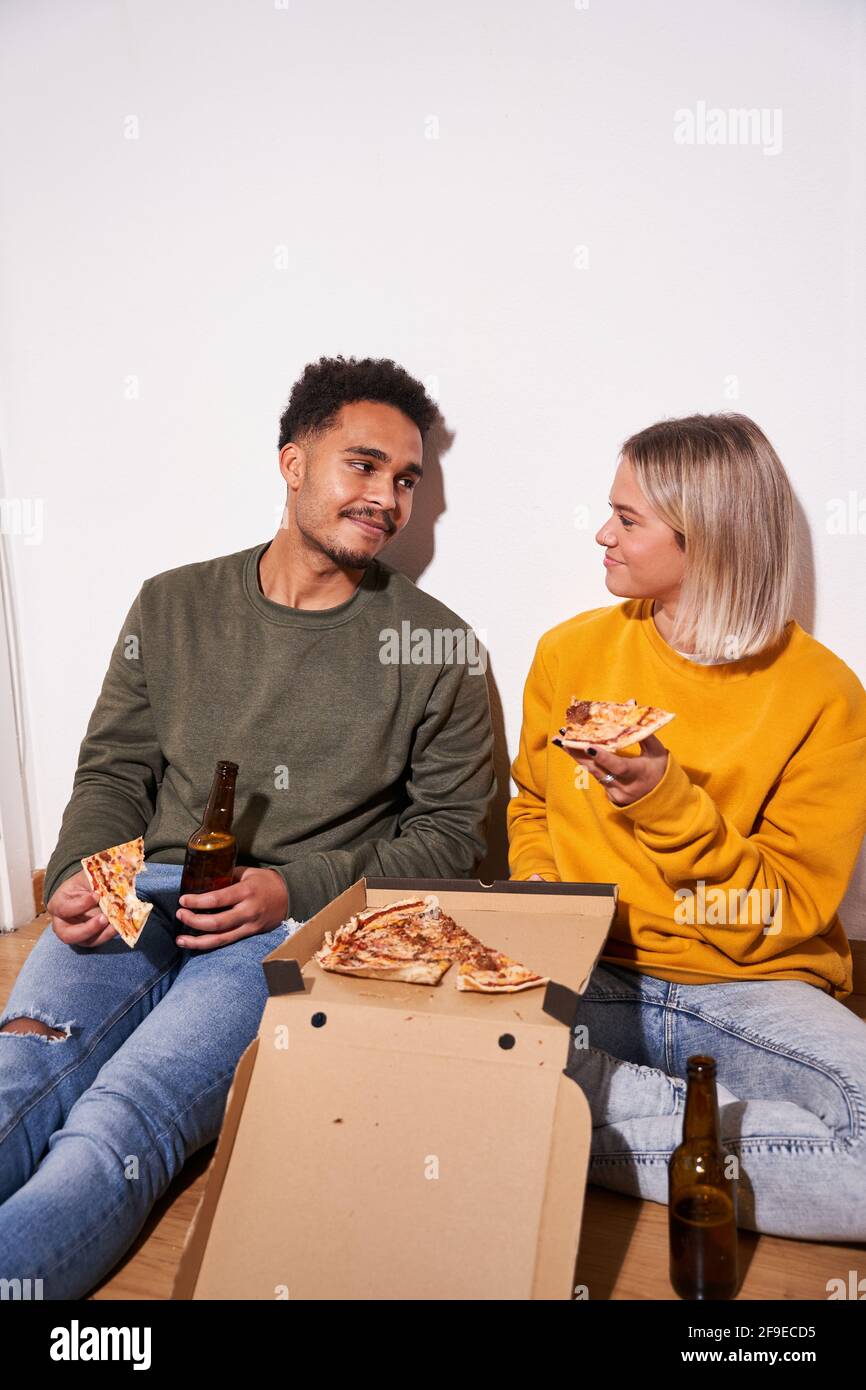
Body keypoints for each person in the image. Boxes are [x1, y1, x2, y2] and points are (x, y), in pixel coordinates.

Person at [0, 355, 496, 1297]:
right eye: (363, 466)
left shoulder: (440, 650)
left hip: (280, 927)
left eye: (405, 480)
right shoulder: (173, 604)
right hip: (138, 887)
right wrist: (84, 870)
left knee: (122, 1118)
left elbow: (451, 843)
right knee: (21, 1061)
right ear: (292, 462)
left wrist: (291, 888)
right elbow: (114, 771)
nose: (387, 498)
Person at [508, 412, 866, 1242]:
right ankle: (706, 1120)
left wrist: (665, 800)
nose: (602, 533)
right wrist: (537, 889)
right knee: (427, 1061)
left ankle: (588, 1113)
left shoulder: (824, 696)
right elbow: (531, 802)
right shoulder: (569, 654)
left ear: (705, 538)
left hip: (753, 987)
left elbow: (776, 916)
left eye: (628, 520)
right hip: (597, 971)